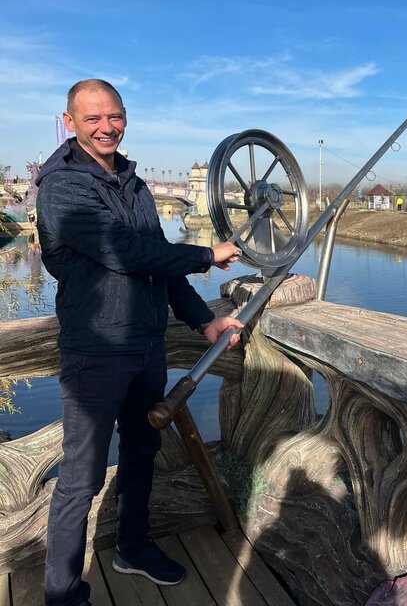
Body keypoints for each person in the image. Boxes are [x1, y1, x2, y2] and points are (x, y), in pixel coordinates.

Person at [36, 79, 244, 606]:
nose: (106, 128)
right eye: (92, 119)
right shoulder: (61, 188)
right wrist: (206, 255)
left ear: (125, 116)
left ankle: (132, 547)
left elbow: (157, 260)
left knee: (142, 451)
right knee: (81, 478)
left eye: (115, 116)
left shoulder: (132, 181)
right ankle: (63, 595)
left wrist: (204, 322)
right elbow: (124, 251)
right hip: (96, 354)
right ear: (70, 123)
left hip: (147, 348)